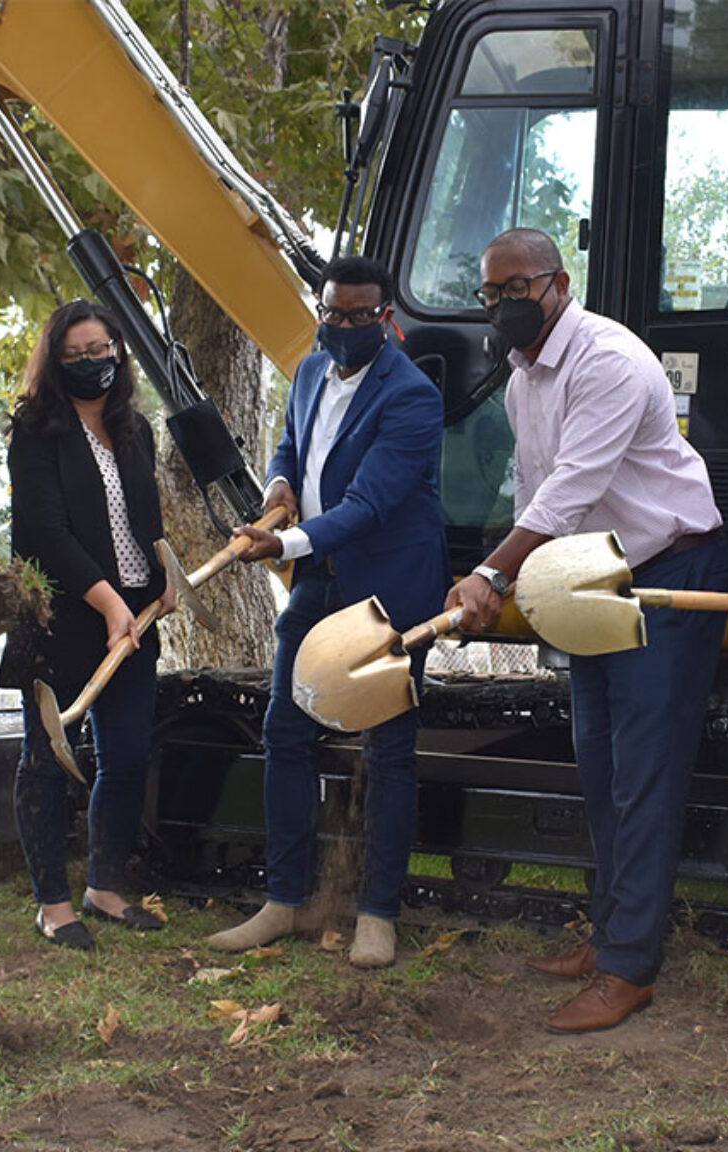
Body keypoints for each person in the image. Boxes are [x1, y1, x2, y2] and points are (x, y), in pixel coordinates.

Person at [448, 229, 728, 1032]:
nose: (502, 305)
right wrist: (516, 585)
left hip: (668, 574)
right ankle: (610, 935)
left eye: (515, 289)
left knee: (643, 772)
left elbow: (568, 492)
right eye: (489, 294)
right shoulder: (519, 378)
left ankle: (629, 968)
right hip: (596, 579)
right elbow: (536, 491)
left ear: (558, 284)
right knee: (600, 764)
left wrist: (490, 574)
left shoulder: (607, 360)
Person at [207, 254, 447, 969]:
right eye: (332, 312)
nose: (342, 327)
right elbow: (293, 445)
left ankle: (378, 913)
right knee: (285, 732)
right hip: (319, 578)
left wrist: (281, 541)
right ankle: (284, 901)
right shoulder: (311, 369)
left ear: (385, 318)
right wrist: (280, 485)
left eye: (359, 316)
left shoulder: (412, 396)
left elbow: (369, 504)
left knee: (389, 751)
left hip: (388, 594)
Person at [2, 300, 177, 950]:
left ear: (118, 354)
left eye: (100, 351)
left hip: (135, 618)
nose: (90, 364)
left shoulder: (136, 428)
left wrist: (166, 582)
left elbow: (146, 522)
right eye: (74, 355)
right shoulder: (35, 430)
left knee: (127, 756)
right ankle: (52, 903)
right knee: (47, 759)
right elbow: (43, 531)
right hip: (63, 615)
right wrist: (107, 604)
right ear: (54, 361)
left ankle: (105, 887)